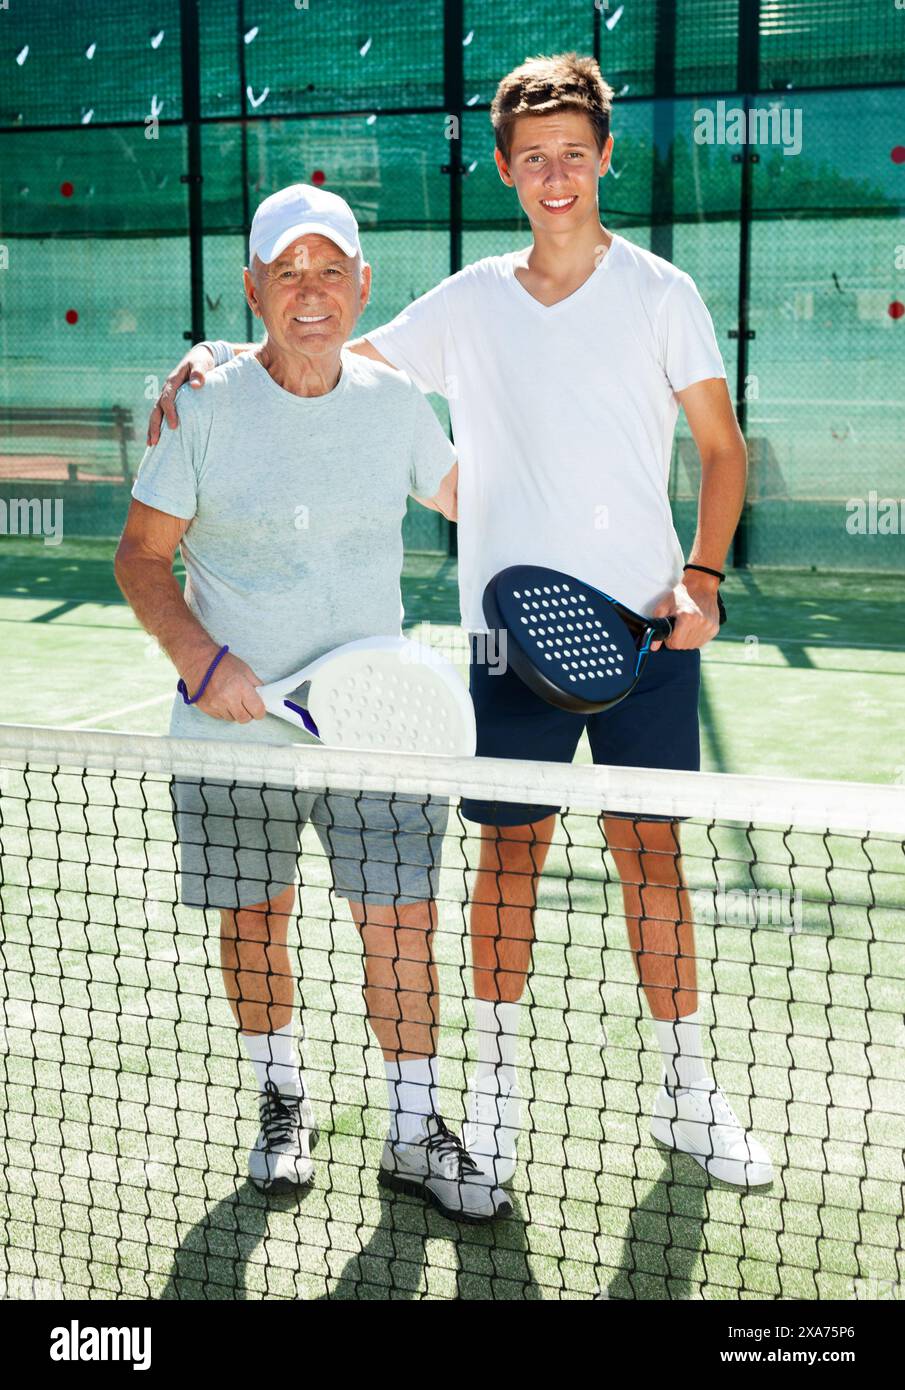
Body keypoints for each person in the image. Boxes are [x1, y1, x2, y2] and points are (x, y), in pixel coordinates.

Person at [147, 55, 773, 1190]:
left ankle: (688, 1091)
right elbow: (329, 353)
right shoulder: (471, 298)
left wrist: (700, 576)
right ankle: (488, 1101)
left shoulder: (660, 292)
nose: (554, 175)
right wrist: (221, 360)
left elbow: (720, 450)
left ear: (602, 159)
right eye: (531, 157)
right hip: (505, 644)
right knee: (508, 862)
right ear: (503, 168)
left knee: (654, 863)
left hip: (642, 633)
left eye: (573, 154)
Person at [118, 182, 510, 1221]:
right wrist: (202, 661)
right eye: (285, 271)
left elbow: (482, 500)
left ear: (361, 286)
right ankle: (280, 1096)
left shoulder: (394, 406)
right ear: (252, 288)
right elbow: (142, 558)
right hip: (227, 734)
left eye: (329, 269)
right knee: (253, 923)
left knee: (401, 924)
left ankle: (414, 1128)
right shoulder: (198, 404)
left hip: (377, 723)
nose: (309, 291)